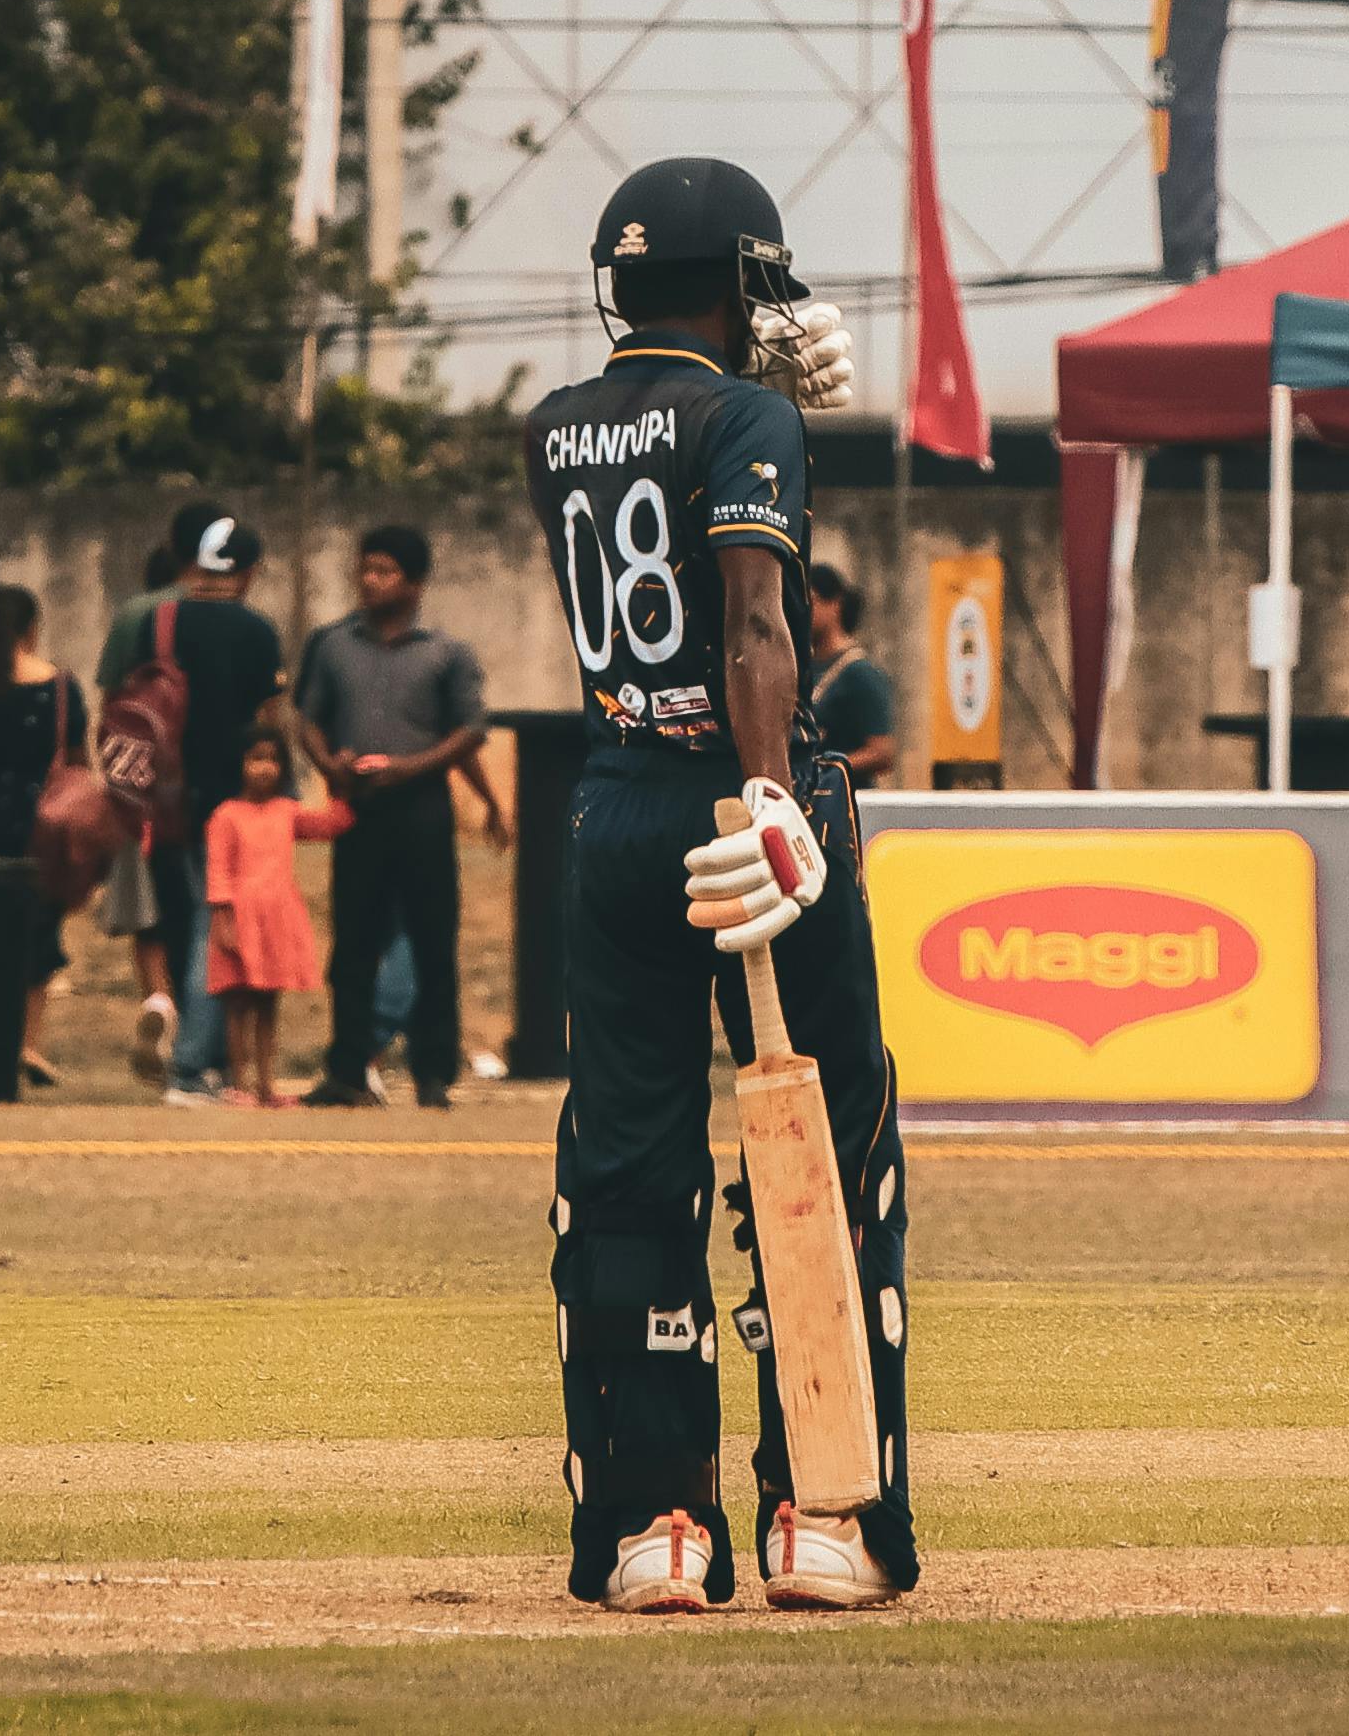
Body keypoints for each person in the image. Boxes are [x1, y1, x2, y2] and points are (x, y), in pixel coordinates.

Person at [525, 156, 914, 1616]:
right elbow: (754, 618)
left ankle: (653, 1528)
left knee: (627, 1165)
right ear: (741, 284)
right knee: (828, 1140)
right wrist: (766, 798)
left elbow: (657, 499)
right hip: (747, 795)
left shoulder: (555, 424)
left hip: (614, 800)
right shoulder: (746, 413)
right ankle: (827, 1517)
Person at [295, 524, 496, 1109]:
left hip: (422, 809)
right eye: (365, 569)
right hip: (358, 809)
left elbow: (470, 730)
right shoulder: (332, 645)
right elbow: (307, 716)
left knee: (434, 939)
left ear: (415, 583)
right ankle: (348, 1070)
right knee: (353, 941)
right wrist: (329, 764)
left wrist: (410, 767)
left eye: (384, 571)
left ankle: (433, 1073)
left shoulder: (446, 653)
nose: (369, 581)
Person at [97, 507, 288, 1100]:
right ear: (248, 570)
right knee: (217, 926)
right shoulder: (258, 632)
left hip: (165, 797)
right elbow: (268, 724)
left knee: (189, 919)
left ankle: (200, 1058)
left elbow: (115, 704)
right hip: (234, 803)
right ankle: (191, 1067)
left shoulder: (156, 621)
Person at [0, 581, 87, 1089]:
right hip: (42, 818)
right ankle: (29, 1042)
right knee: (38, 931)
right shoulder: (59, 686)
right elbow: (77, 758)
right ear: (32, 627)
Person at [204, 726, 354, 1108]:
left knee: (269, 1003)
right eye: (255, 759)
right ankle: (240, 1083)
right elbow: (218, 870)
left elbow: (332, 825)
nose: (264, 769)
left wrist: (337, 777)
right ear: (239, 764)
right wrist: (224, 920)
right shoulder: (226, 815)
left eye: (272, 760)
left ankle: (266, 1085)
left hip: (275, 920)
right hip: (239, 918)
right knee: (237, 1004)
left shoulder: (287, 812)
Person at [805, 564, 897, 785]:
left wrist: (826, 769)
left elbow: (882, 752)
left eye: (810, 600)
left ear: (835, 604)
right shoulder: (804, 666)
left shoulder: (860, 672)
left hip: (846, 804)